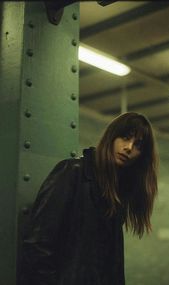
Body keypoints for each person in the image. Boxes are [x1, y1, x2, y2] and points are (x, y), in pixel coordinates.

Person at [19, 112, 159, 285]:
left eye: (138, 145)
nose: (129, 147)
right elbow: (38, 244)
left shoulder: (117, 194)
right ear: (111, 137)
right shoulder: (73, 172)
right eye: (125, 137)